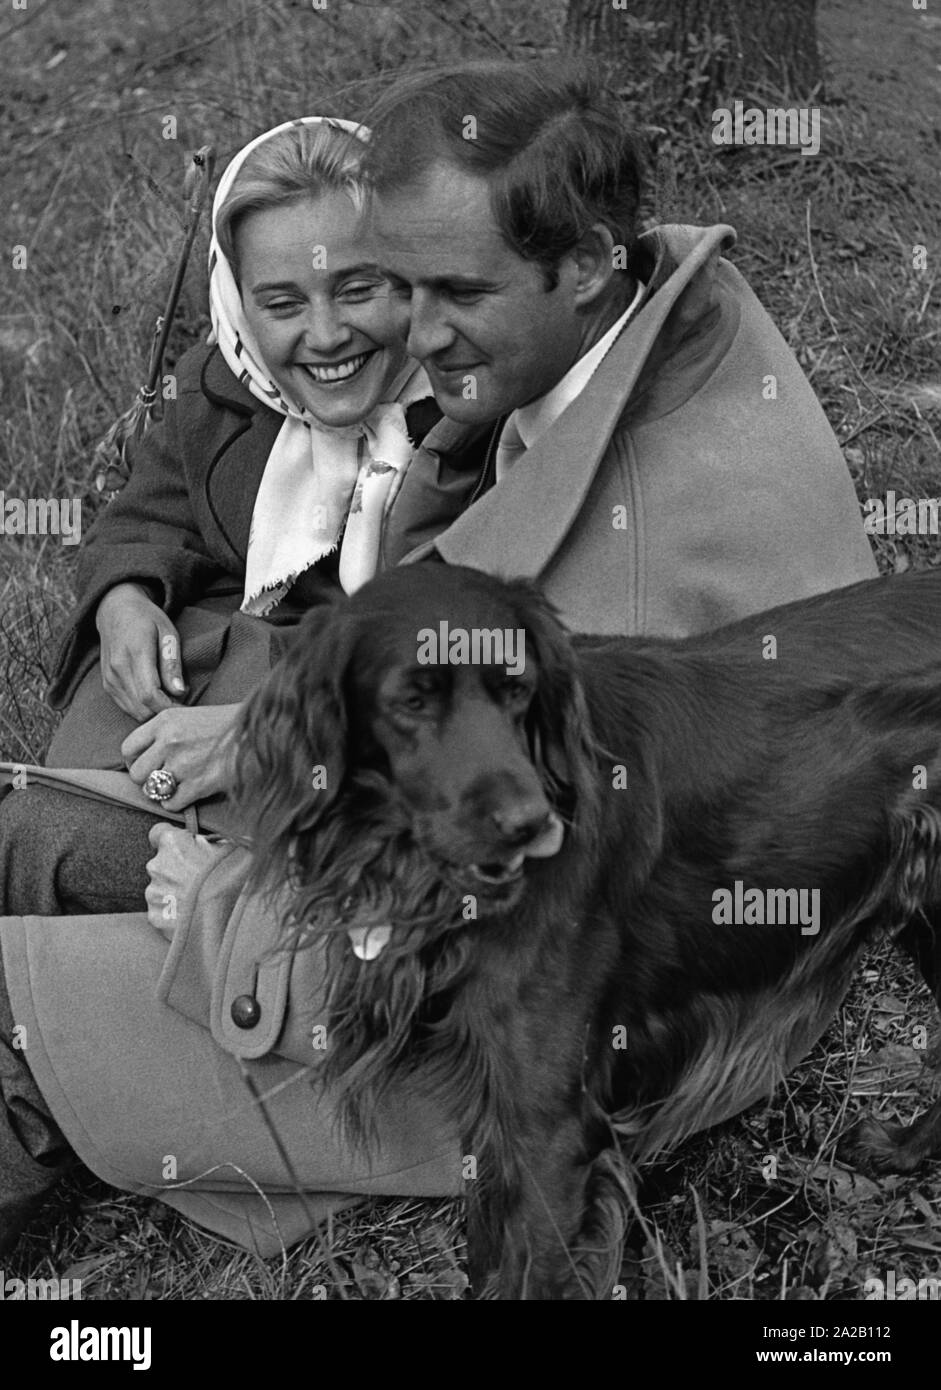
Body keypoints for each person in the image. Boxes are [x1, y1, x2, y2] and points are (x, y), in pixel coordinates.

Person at [0, 60, 879, 1261]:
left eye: (450, 290)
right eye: (397, 286)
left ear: (579, 262)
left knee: (34, 1013)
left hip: (536, 1039)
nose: (408, 338)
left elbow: (519, 949)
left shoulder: (640, 562)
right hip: (473, 890)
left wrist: (229, 921)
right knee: (29, 830)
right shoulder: (635, 313)